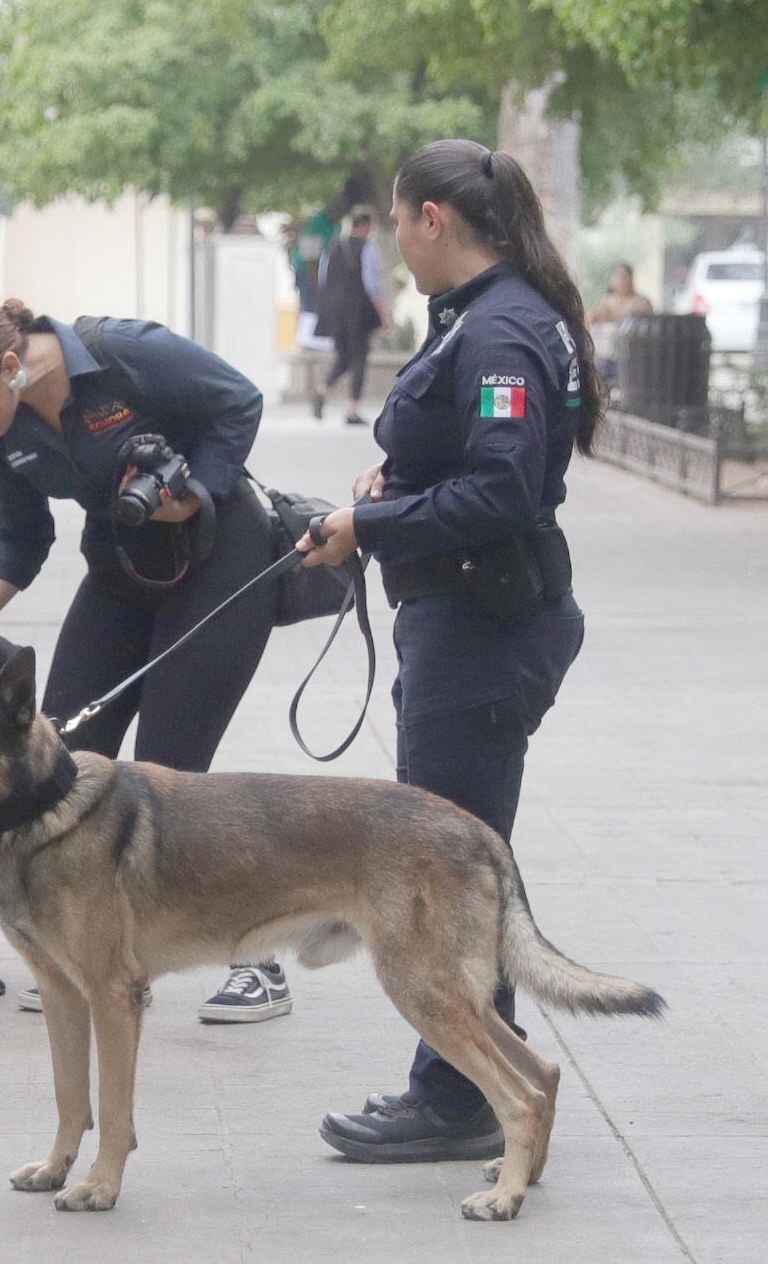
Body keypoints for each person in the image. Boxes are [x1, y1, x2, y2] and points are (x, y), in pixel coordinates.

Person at [299, 138, 602, 1164]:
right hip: (470, 616)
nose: (396, 243)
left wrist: (370, 524)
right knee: (462, 858)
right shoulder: (489, 317)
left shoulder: (501, 329)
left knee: (440, 868)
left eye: (398, 222)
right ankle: (470, 1079)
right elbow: (469, 466)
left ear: (433, 218)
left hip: (483, 628)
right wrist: (392, 491)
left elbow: (505, 489)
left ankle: (455, 1093)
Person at [0, 297, 297, 1023]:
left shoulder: (125, 354)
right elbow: (22, 535)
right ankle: (95, 955)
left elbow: (238, 401)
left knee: (173, 776)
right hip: (123, 567)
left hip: (221, 556)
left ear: (8, 366)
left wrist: (197, 491)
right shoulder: (4, 425)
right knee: (60, 755)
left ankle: (257, 960)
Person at [313, 206, 392, 426]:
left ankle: (322, 390)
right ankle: (353, 408)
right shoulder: (368, 248)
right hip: (358, 312)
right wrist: (383, 313)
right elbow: (372, 283)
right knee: (359, 359)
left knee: (343, 356)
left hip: (335, 312)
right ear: (366, 225)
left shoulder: (334, 245)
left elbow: (323, 277)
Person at [586, 261, 654, 328]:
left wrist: (614, 316)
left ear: (631, 279)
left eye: (624, 276)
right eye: (617, 276)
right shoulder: (606, 301)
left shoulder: (642, 302)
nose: (621, 280)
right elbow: (592, 318)